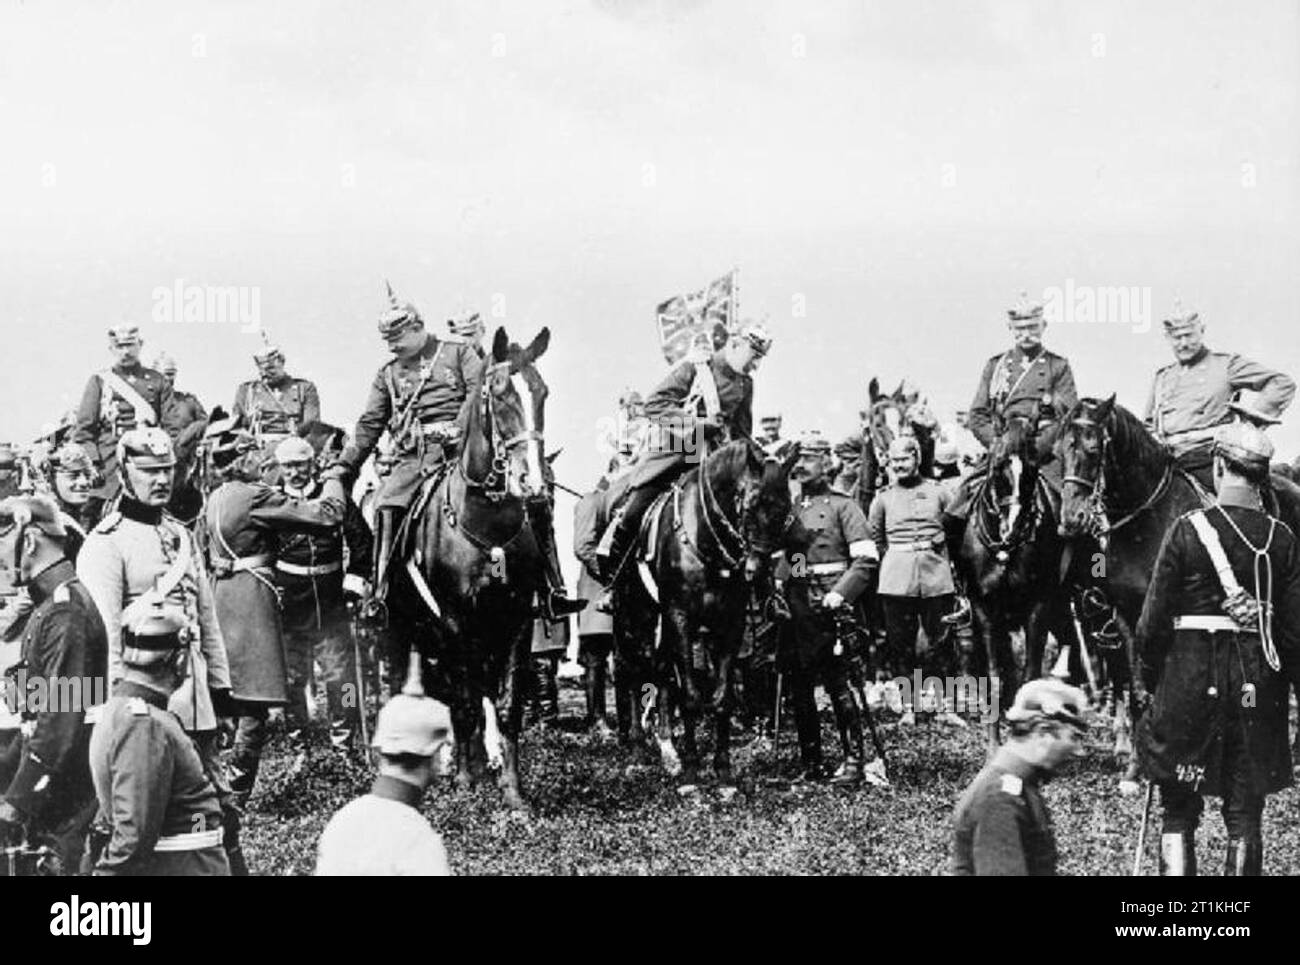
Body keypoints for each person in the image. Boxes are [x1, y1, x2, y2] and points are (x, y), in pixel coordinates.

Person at [325, 283, 582, 622]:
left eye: (398, 340)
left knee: (535, 493)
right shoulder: (387, 374)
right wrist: (345, 467)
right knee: (387, 502)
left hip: (463, 450)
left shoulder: (458, 354)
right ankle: (382, 594)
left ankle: (552, 587)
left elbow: (480, 396)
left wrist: (456, 430)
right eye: (389, 343)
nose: (393, 348)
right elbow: (370, 425)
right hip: (414, 459)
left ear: (418, 329)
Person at [75, 428, 246, 874]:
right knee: (150, 824)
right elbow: (108, 639)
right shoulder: (105, 544)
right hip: (145, 708)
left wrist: (220, 694)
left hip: (194, 706)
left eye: (167, 469)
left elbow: (206, 621)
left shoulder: (180, 535)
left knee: (215, 815)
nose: (161, 479)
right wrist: (124, 712)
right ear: (124, 473)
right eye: (149, 470)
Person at [1135, 421, 1300, 876]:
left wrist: (1150, 685)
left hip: (1186, 688)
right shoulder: (1282, 540)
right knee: (1244, 810)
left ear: (1219, 466)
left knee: (1178, 807)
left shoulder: (1186, 531)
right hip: (1255, 691)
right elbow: (1295, 637)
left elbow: (1150, 627)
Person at [201, 420, 348, 808]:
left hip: (222, 599)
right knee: (255, 702)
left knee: (225, 698)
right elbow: (328, 515)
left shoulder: (216, 496)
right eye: (258, 455)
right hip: (252, 603)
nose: (265, 462)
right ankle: (234, 795)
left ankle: (213, 784)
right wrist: (335, 477)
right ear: (245, 458)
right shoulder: (255, 496)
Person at [595, 321, 772, 610]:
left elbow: (741, 431)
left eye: (759, 359)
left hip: (717, 464)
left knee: (760, 516)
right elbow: (655, 404)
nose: (755, 366)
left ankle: (762, 596)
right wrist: (697, 425)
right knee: (634, 513)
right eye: (753, 357)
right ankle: (614, 586)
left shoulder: (745, 384)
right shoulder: (696, 368)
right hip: (680, 453)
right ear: (735, 345)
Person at [0, 495, 108, 874]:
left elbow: (62, 716)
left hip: (68, 792)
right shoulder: (50, 605)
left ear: (28, 541)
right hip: (57, 785)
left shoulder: (64, 610)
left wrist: (19, 797)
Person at [87, 602, 229, 876]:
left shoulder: (123, 710)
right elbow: (135, 833)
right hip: (184, 866)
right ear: (179, 660)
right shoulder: (144, 724)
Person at [775, 432, 879, 784]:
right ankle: (812, 763)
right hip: (796, 605)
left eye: (808, 458)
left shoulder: (843, 506)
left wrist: (841, 594)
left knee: (839, 684)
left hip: (832, 604)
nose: (800, 466)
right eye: (797, 459)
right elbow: (793, 558)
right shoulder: (791, 509)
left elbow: (865, 560)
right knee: (799, 684)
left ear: (827, 462)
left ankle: (853, 761)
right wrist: (780, 582)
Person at [273, 436, 371, 750]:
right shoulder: (271, 501)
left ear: (313, 463)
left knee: (343, 679)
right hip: (289, 603)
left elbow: (362, 540)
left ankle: (345, 743)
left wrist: (355, 579)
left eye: (300, 464)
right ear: (280, 468)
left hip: (331, 600)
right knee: (291, 681)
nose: (294, 472)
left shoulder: (334, 495)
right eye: (287, 466)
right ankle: (298, 744)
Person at [315, 651, 453, 876]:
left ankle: (346, 731)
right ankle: (342, 737)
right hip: (319, 629)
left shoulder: (341, 822)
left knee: (343, 678)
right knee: (343, 683)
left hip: (341, 635)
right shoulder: (418, 840)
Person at [1145, 303, 1295, 491]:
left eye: (1189, 335)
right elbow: (1148, 425)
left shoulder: (1226, 365)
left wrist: (1249, 426)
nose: (1183, 343)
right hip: (1167, 462)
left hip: (1209, 458)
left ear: (1201, 331)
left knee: (1227, 510)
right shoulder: (1163, 377)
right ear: (1168, 338)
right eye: (1177, 337)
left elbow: (1281, 383)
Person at [949, 678, 1088, 875]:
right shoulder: (999, 797)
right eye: (1073, 737)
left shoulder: (1019, 786)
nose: (1078, 751)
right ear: (1043, 732)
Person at [868, 436, 962, 724]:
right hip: (897, 578)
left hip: (936, 575)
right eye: (894, 461)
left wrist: (943, 540)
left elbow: (957, 524)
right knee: (901, 644)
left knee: (942, 641)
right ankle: (910, 707)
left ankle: (945, 707)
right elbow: (876, 537)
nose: (899, 465)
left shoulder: (939, 492)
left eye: (905, 459)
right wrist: (897, 560)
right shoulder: (883, 497)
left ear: (917, 458)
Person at [73, 325, 181, 526]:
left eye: (130, 345)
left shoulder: (157, 381)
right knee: (92, 520)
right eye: (119, 346)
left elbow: (172, 428)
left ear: (140, 345)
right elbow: (84, 431)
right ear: (111, 349)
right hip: (110, 464)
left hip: (150, 460)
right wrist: (94, 464)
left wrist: (162, 459)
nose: (125, 351)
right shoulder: (99, 381)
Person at [967, 294, 1078, 462]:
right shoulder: (995, 365)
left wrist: (1039, 447)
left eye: (1032, 327)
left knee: (1065, 487)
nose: (1026, 334)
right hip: (1002, 447)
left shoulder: (1058, 365)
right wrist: (997, 444)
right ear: (1010, 327)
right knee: (969, 486)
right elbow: (977, 415)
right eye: (1020, 328)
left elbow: (1068, 415)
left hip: (1044, 452)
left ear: (1043, 326)